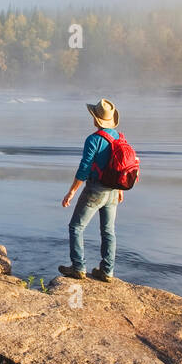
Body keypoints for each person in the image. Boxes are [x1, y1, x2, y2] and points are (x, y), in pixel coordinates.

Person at [59, 98, 125, 282]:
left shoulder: (94, 139)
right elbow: (121, 167)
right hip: (113, 190)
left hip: (96, 190)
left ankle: (78, 268)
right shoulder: (119, 137)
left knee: (76, 227)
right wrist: (120, 190)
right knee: (108, 231)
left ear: (96, 119)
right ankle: (107, 271)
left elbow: (85, 168)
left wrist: (72, 191)